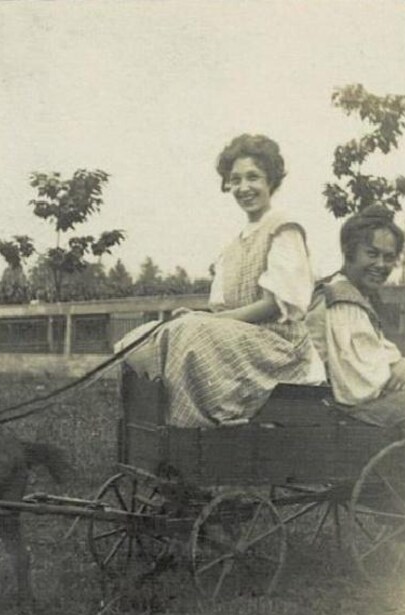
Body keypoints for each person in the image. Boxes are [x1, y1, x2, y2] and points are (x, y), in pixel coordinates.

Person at [123, 133, 326, 427]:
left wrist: (207, 322)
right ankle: (154, 424)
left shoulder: (284, 228)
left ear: (271, 180)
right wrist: (200, 317)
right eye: (235, 180)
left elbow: (271, 306)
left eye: (253, 177)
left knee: (190, 334)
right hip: (240, 341)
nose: (244, 188)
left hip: (279, 348)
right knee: (144, 336)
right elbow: (222, 310)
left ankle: (196, 428)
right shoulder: (233, 246)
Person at [306, 203, 405, 452]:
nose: (381, 264)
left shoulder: (351, 294)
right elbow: (359, 379)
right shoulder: (343, 300)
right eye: (371, 254)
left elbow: (373, 346)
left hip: (342, 395)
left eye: (388, 257)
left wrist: (403, 365)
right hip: (343, 405)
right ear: (350, 252)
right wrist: (398, 368)